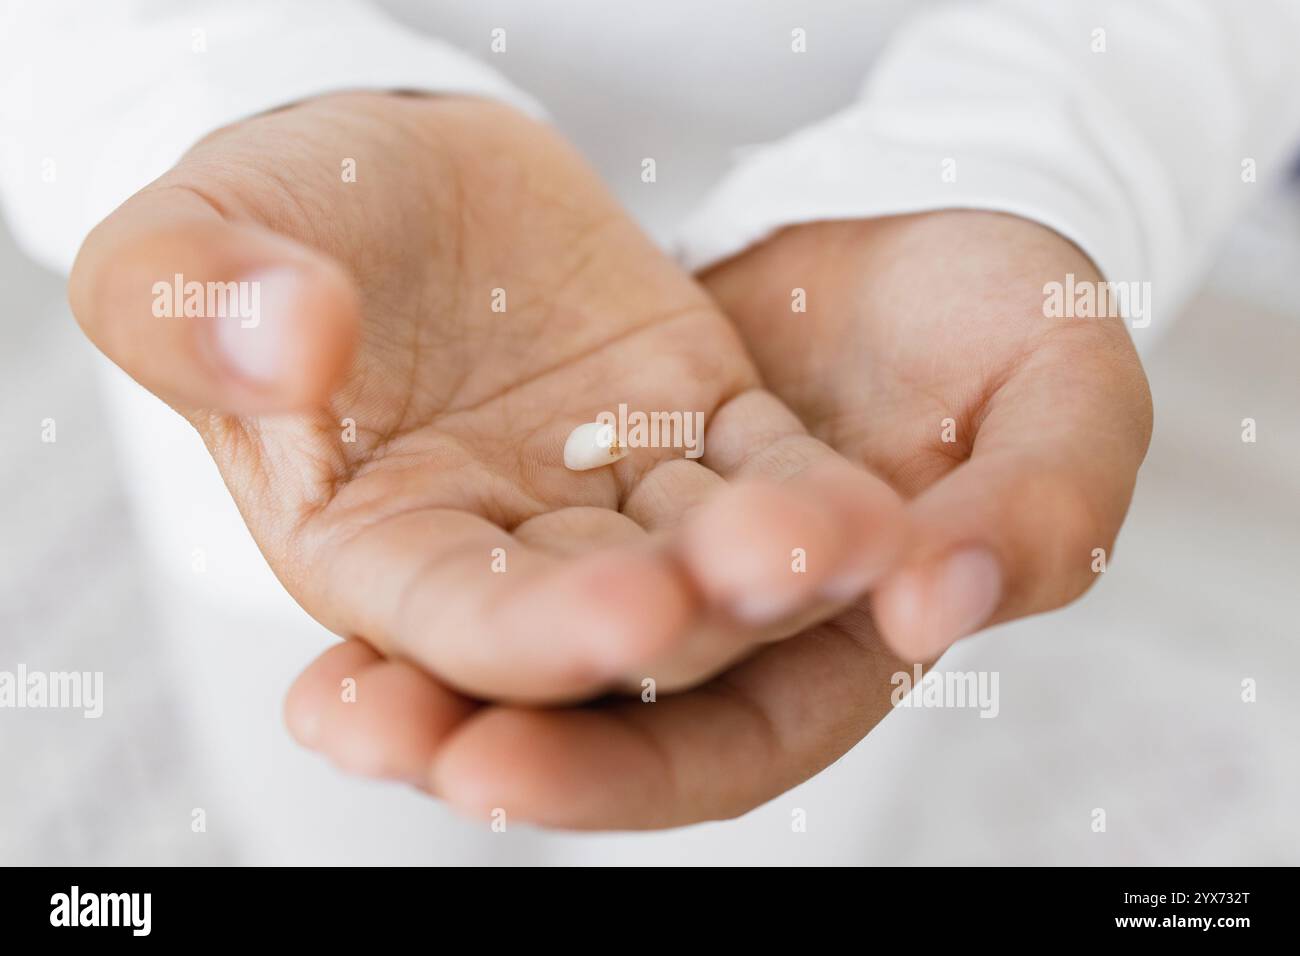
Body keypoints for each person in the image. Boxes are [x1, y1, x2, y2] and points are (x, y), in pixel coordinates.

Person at [2, 0, 1297, 844]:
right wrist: (228, 96)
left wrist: (1033, 162)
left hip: (872, 344)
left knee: (777, 770)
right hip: (331, 337)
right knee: (332, 814)